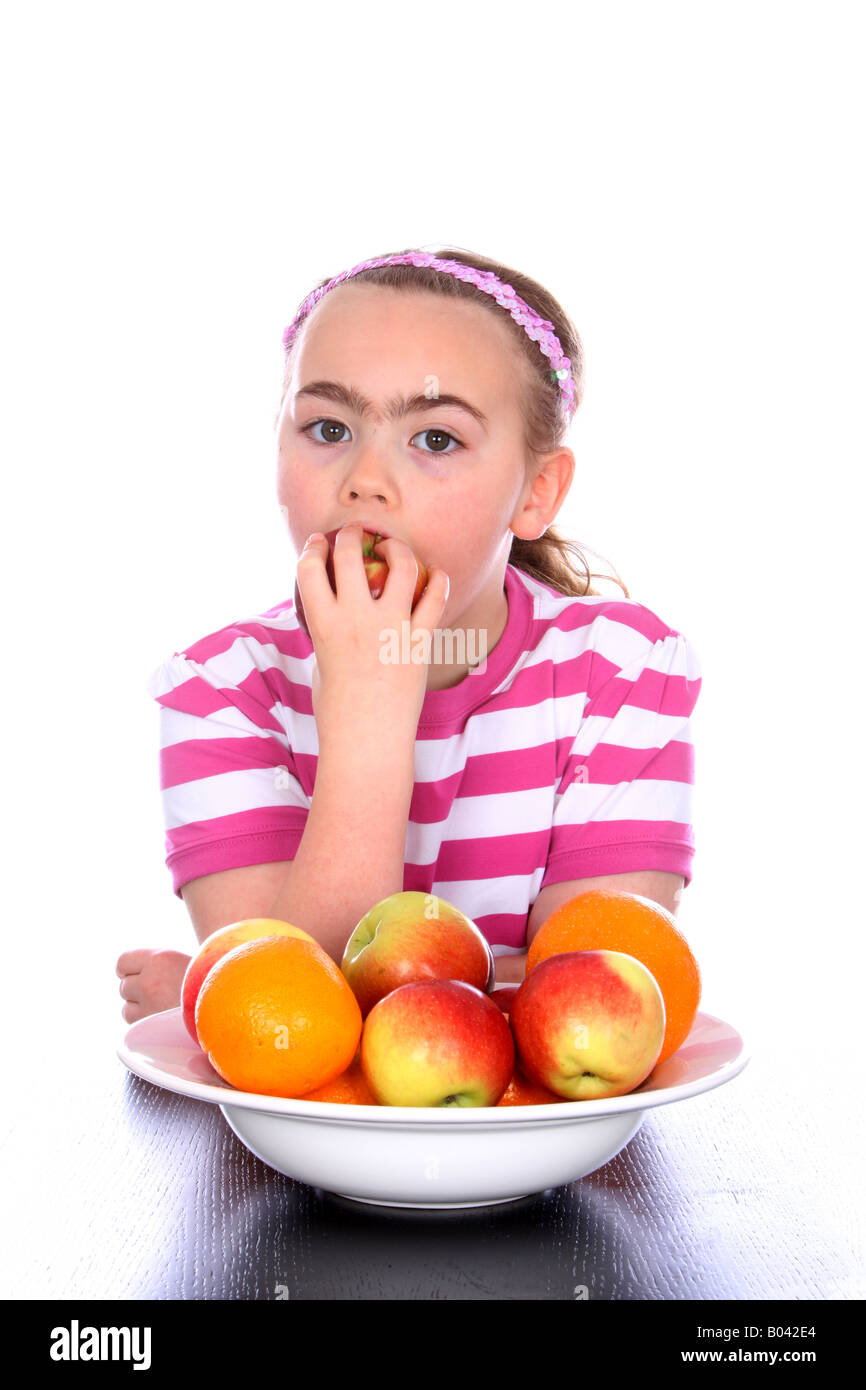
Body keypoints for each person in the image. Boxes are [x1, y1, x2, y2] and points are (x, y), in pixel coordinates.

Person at [117, 246, 701, 1024]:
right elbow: (288, 1036)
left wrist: (210, 995)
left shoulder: (626, 674)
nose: (364, 480)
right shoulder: (220, 690)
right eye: (328, 426)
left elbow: (600, 1006)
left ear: (536, 492)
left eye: (434, 440)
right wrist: (367, 715)